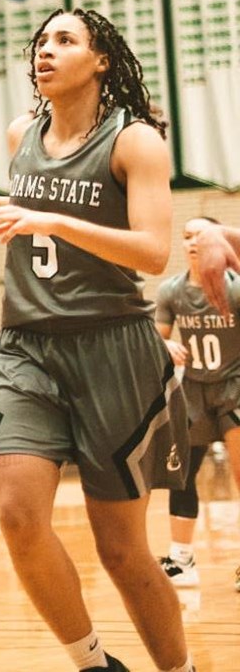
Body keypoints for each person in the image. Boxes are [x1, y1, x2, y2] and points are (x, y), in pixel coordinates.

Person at [0, 7, 189, 672]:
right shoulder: (20, 133)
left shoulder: (133, 141)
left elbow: (150, 251)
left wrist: (48, 218)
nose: (45, 51)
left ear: (101, 60)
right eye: (40, 41)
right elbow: (24, 216)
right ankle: (92, 664)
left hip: (111, 346)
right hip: (26, 346)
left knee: (121, 551)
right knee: (16, 516)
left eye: (64, 40)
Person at [150, 217, 240, 590]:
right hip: (195, 391)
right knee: (181, 475)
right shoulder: (171, 290)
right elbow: (155, 340)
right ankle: (182, 559)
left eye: (201, 236)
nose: (192, 242)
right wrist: (165, 346)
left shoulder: (235, 289)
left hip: (234, 386)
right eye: (186, 236)